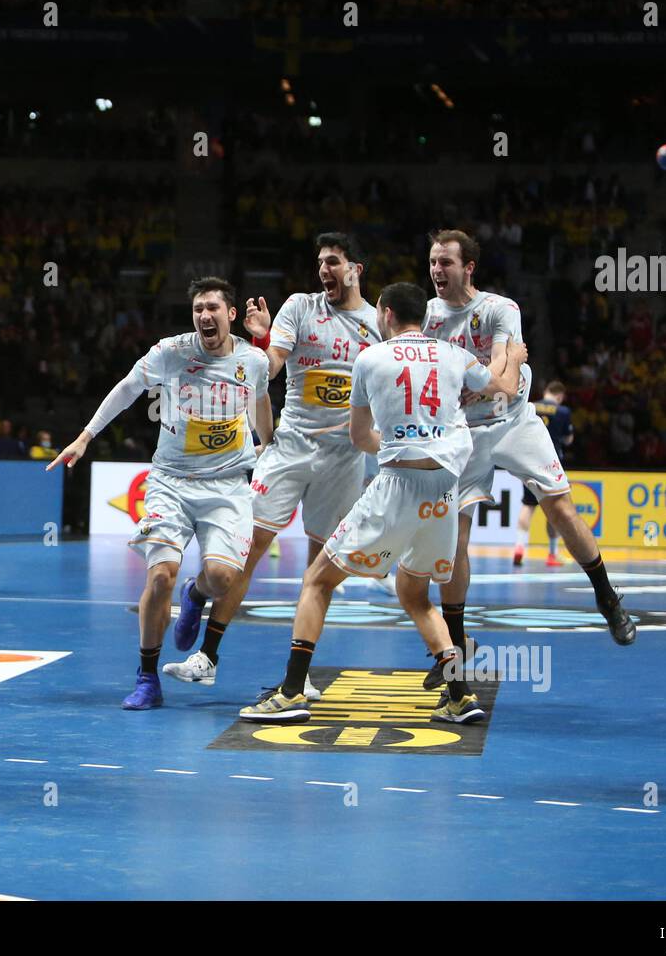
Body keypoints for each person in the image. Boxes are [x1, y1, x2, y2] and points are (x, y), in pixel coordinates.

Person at [240, 281, 528, 723]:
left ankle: (294, 690)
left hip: (398, 484)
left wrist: (396, 445)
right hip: (444, 496)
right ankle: (460, 694)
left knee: (318, 580)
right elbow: (505, 385)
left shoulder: (370, 358)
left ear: (387, 313)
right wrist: (514, 355)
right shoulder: (453, 354)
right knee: (415, 594)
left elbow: (359, 437)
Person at [162, 232, 379, 697]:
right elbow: (273, 365)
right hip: (288, 446)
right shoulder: (301, 307)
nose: (325, 270)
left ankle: (297, 675)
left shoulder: (378, 323)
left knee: (320, 570)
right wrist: (261, 341)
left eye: (334, 261)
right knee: (250, 550)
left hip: (345, 459)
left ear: (356, 269)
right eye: (321, 262)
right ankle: (207, 653)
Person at [421, 229, 635, 695]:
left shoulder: (500, 309)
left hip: (515, 421)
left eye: (446, 263)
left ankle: (606, 597)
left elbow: (507, 374)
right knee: (454, 536)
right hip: (465, 434)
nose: (437, 271)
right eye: (434, 262)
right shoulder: (431, 316)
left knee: (560, 508)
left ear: (468, 267)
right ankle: (455, 648)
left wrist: (480, 381)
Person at [49, 278, 273, 709]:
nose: (204, 315)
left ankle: (196, 595)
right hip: (171, 481)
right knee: (159, 574)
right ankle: (147, 677)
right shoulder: (171, 353)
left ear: (230, 315)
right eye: (197, 309)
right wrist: (85, 436)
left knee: (223, 578)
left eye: (212, 308)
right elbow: (127, 389)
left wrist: (268, 438)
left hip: (227, 485)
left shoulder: (253, 360)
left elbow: (261, 399)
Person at [513, 380, 573, 567]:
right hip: (552, 465)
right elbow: (569, 439)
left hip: (529, 462)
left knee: (527, 506)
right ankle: (552, 554)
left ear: (546, 391)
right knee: (554, 509)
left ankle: (519, 549)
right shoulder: (563, 412)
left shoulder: (529, 407)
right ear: (560, 396)